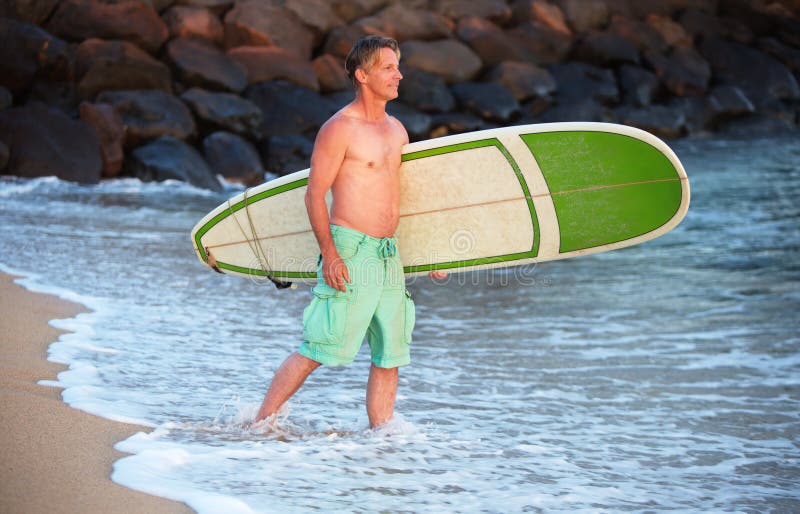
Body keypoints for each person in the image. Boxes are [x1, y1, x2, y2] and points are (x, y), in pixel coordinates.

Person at [255, 35, 445, 429]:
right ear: (362, 75)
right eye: (388, 68)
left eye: (397, 67)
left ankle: (381, 443)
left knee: (390, 354)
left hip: (388, 255)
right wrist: (331, 253)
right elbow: (314, 195)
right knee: (320, 346)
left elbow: (403, 201)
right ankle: (258, 424)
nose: (399, 75)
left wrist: (430, 254)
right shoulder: (339, 128)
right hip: (351, 248)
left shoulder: (397, 130)